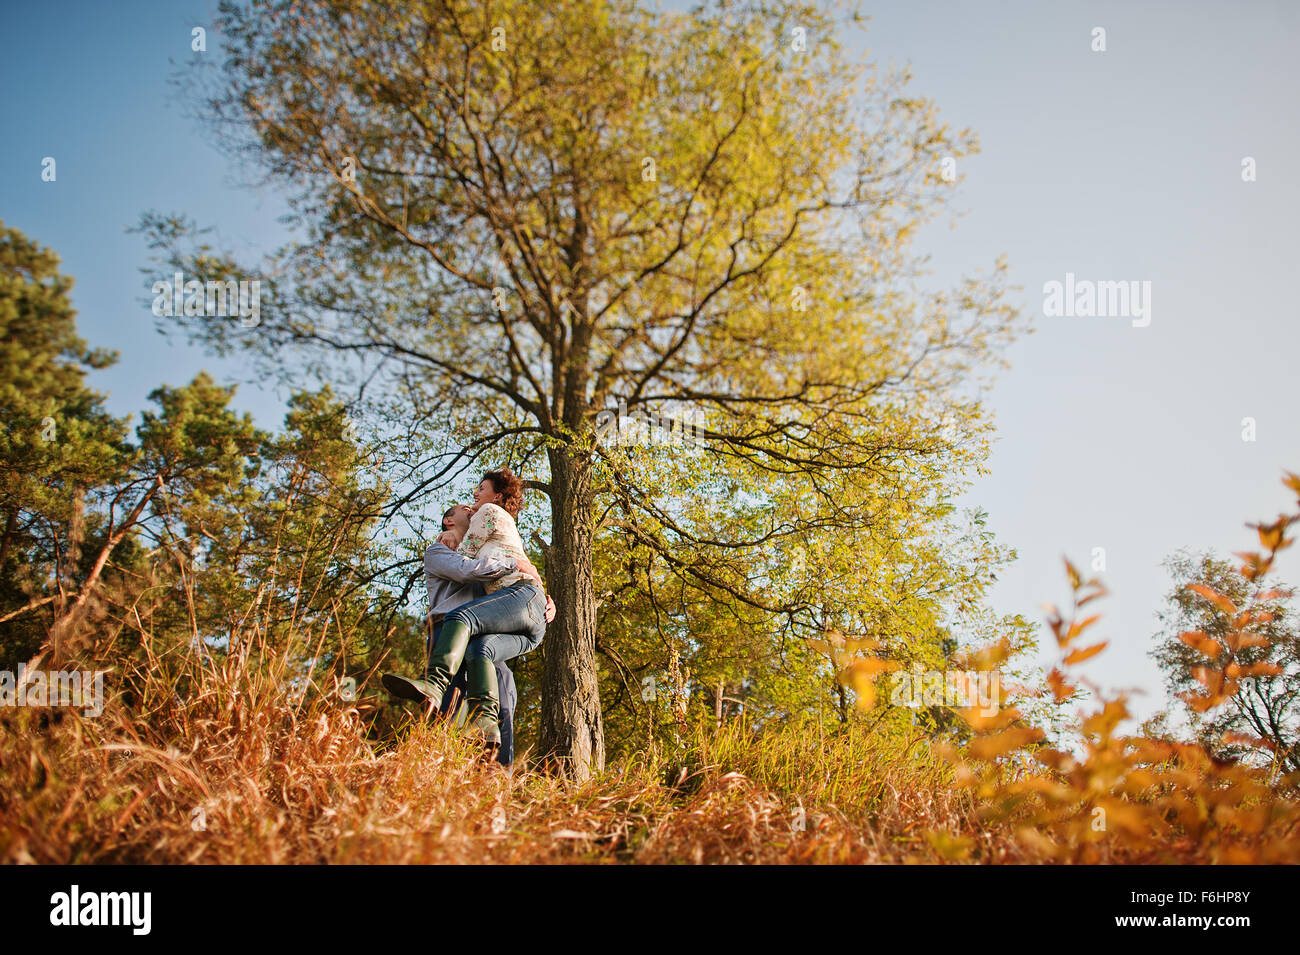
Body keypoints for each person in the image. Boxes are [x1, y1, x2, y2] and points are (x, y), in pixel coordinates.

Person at [383, 468, 550, 756]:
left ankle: (438, 688)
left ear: (496, 496)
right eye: (462, 508)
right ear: (449, 521)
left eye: (481, 488)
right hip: (472, 632)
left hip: (495, 612)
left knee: (465, 626)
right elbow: (466, 568)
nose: (472, 497)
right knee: (471, 669)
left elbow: (470, 561)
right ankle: (467, 740)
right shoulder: (438, 550)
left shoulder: (485, 518)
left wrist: (540, 588)